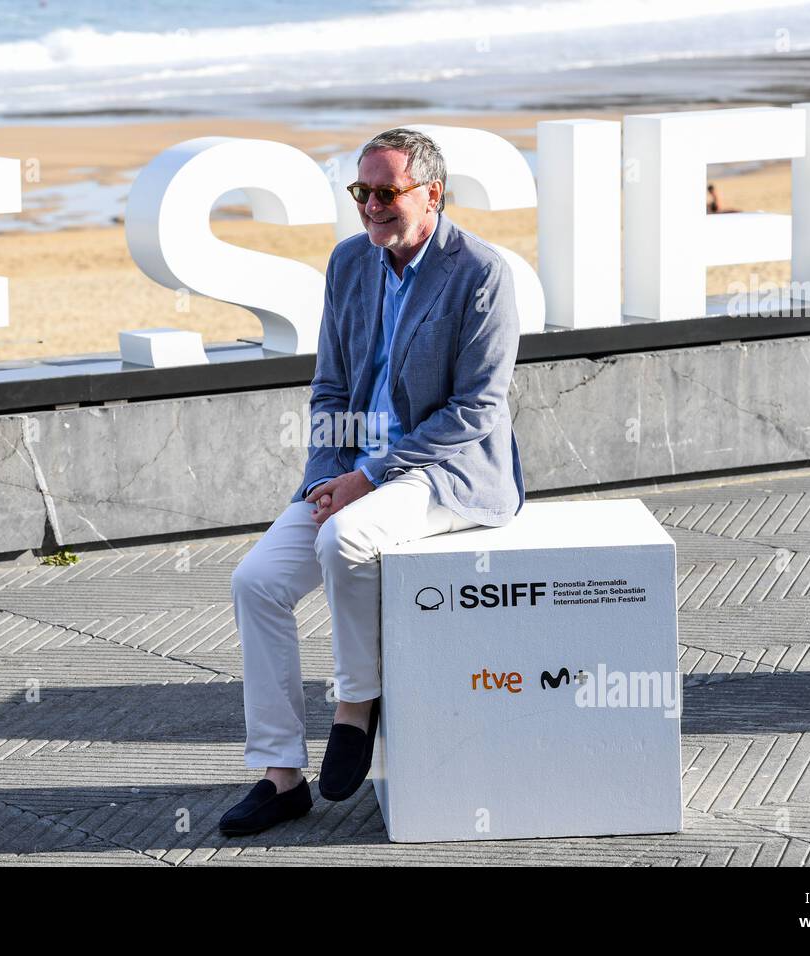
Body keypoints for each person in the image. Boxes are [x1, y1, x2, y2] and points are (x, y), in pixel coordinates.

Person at [219, 128, 526, 836]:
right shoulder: (349, 263)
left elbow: (478, 409)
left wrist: (370, 476)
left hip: (443, 470)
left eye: (386, 192)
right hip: (351, 469)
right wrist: (327, 476)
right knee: (255, 582)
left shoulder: (481, 271)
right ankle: (280, 774)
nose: (371, 206)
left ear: (431, 194)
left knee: (346, 542)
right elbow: (329, 388)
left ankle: (357, 702)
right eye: (362, 192)